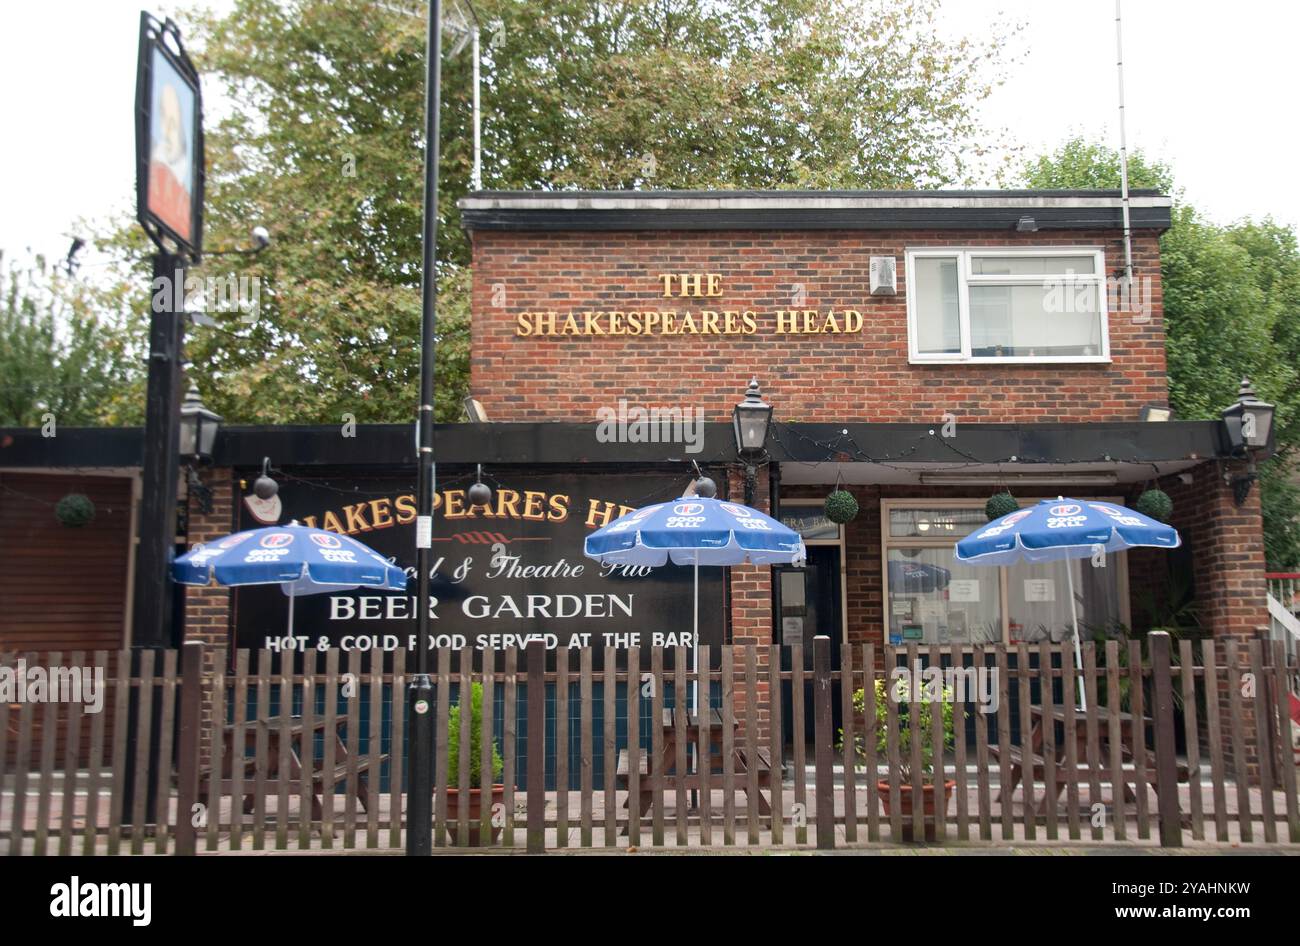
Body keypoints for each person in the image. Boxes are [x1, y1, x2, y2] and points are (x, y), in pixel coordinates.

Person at [148, 75, 193, 243]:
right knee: (177, 266)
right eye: (165, 115)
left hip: (177, 262)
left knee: (178, 267)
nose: (171, 123)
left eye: (175, 114)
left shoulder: (185, 176)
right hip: (174, 260)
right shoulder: (158, 170)